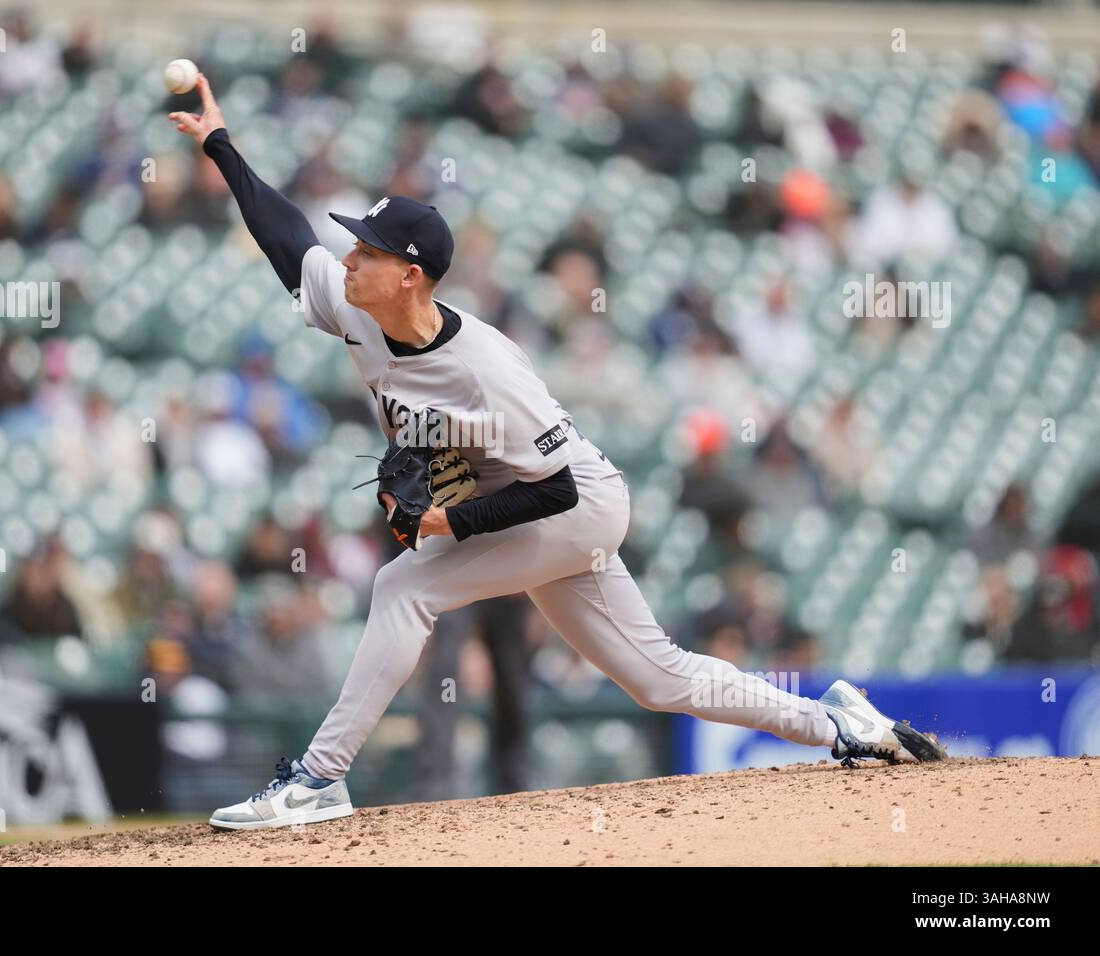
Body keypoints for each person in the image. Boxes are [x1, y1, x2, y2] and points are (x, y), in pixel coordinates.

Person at [169, 76, 946, 831]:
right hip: (537, 505)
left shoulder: (487, 369)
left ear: (409, 276)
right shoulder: (358, 308)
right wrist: (221, 145)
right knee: (658, 678)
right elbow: (287, 241)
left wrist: (450, 522)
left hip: (575, 501)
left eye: (365, 251)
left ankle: (317, 780)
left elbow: (559, 491)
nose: (348, 258)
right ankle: (839, 724)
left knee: (403, 587)